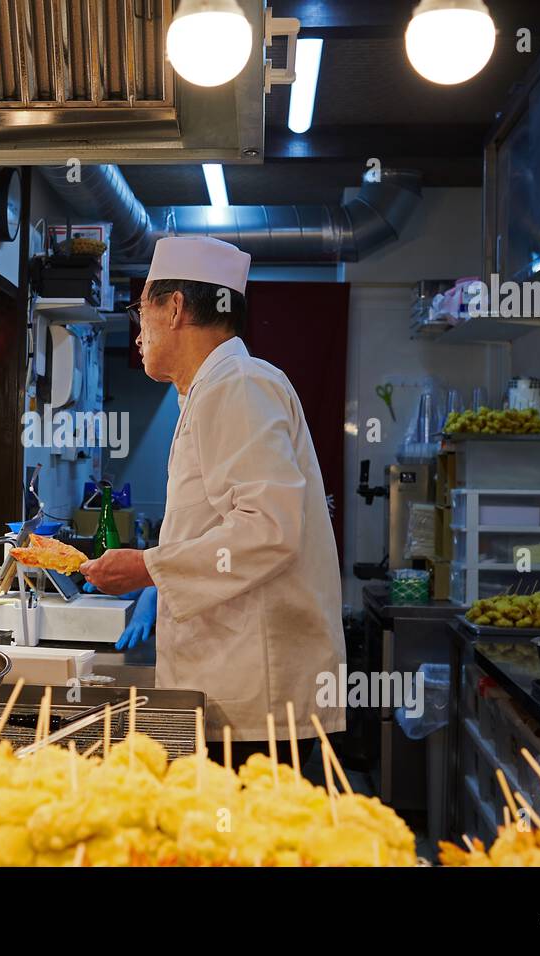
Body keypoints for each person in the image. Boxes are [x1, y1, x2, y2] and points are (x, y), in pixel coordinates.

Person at [80, 235, 347, 768]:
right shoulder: (213, 388)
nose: (137, 333)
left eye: (141, 310)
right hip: (233, 685)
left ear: (174, 307)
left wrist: (149, 568)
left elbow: (268, 528)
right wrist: (161, 574)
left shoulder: (238, 384)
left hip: (254, 695)